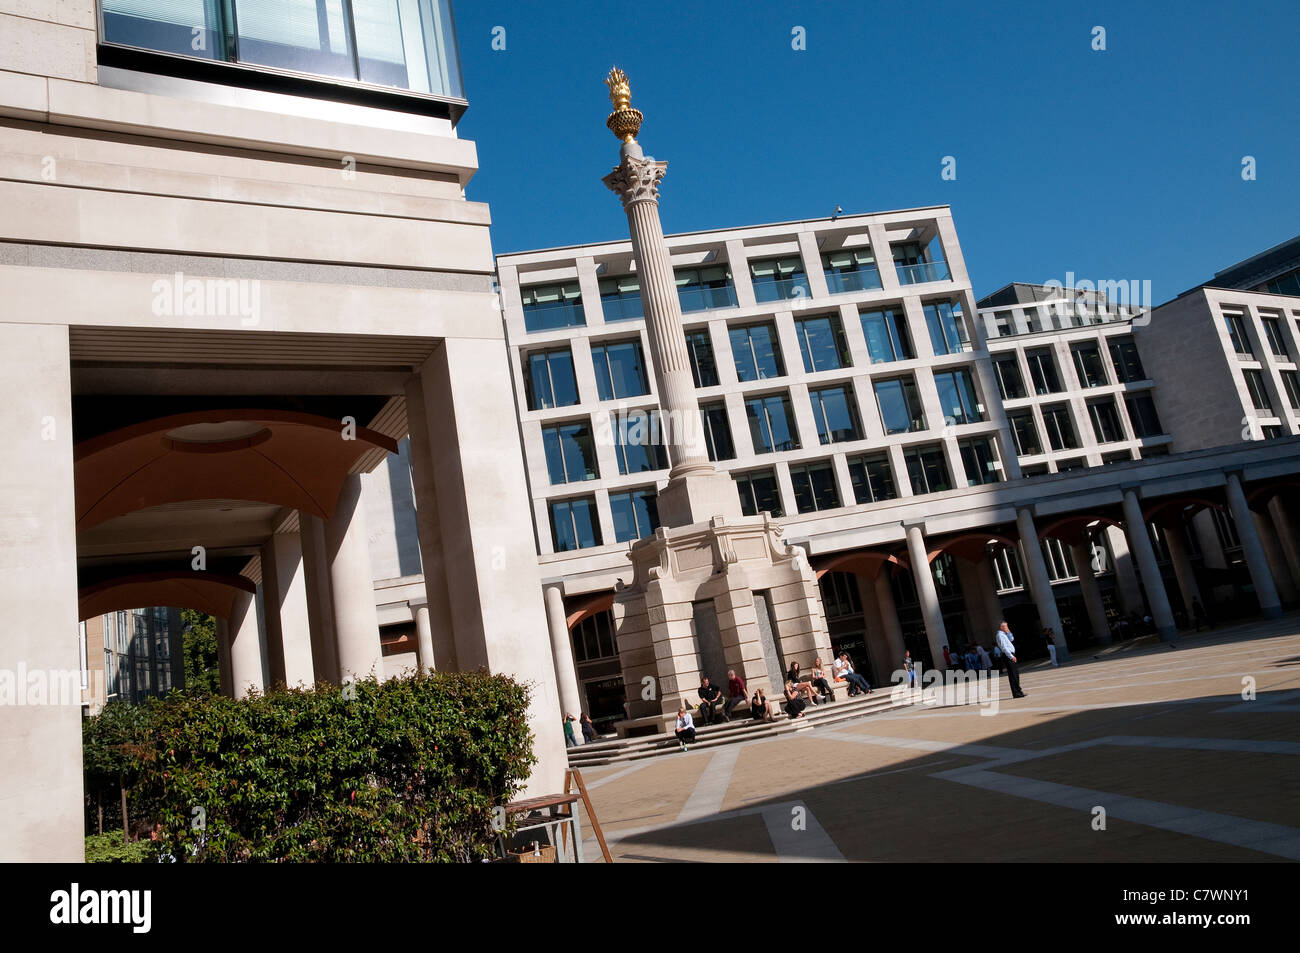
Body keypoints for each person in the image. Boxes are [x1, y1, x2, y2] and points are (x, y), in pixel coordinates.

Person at [996, 621, 1026, 698]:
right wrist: (1011, 656)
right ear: (1001, 627)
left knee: (1015, 674)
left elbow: (1012, 639)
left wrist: (1008, 631)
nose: (1007, 628)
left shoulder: (1004, 634)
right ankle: (1017, 693)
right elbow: (1004, 647)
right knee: (1013, 675)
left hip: (1010, 655)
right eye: (1006, 626)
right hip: (1008, 656)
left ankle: (1018, 691)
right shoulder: (1000, 635)